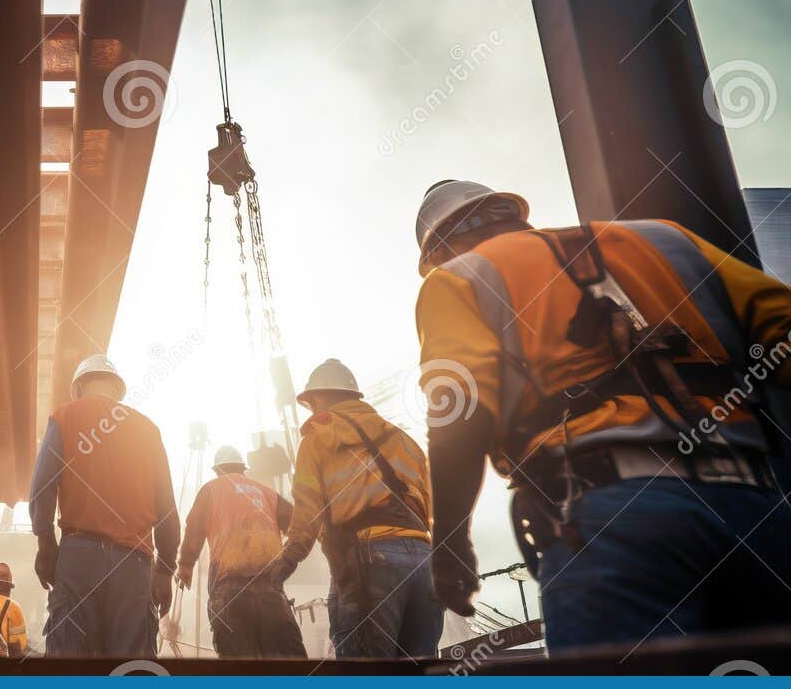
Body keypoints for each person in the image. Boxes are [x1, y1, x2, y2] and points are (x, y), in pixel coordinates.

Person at [413, 179, 791, 650]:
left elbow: (460, 412)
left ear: (440, 249)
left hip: (612, 516)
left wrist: (450, 544)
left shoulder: (457, 280)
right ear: (515, 216)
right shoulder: (668, 239)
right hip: (759, 511)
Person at [270, 359, 441, 659]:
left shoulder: (319, 436)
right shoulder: (403, 439)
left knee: (364, 681)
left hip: (369, 563)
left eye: (312, 404)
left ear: (319, 399)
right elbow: (431, 508)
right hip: (425, 564)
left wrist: (283, 564)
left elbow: (308, 512)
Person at [29, 355, 180, 657]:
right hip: (134, 566)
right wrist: (164, 570)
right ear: (116, 387)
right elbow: (167, 507)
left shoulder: (64, 417)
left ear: (81, 386)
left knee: (70, 669)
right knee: (131, 669)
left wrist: (46, 544)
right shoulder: (147, 430)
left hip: (79, 560)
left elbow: (43, 485)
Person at [178, 446, 307, 658]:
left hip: (230, 591)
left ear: (218, 470)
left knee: (238, 670)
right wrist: (288, 560)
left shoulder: (211, 489)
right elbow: (300, 524)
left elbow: (194, 528)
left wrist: (185, 566)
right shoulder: (265, 492)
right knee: (288, 667)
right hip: (271, 590)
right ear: (242, 468)